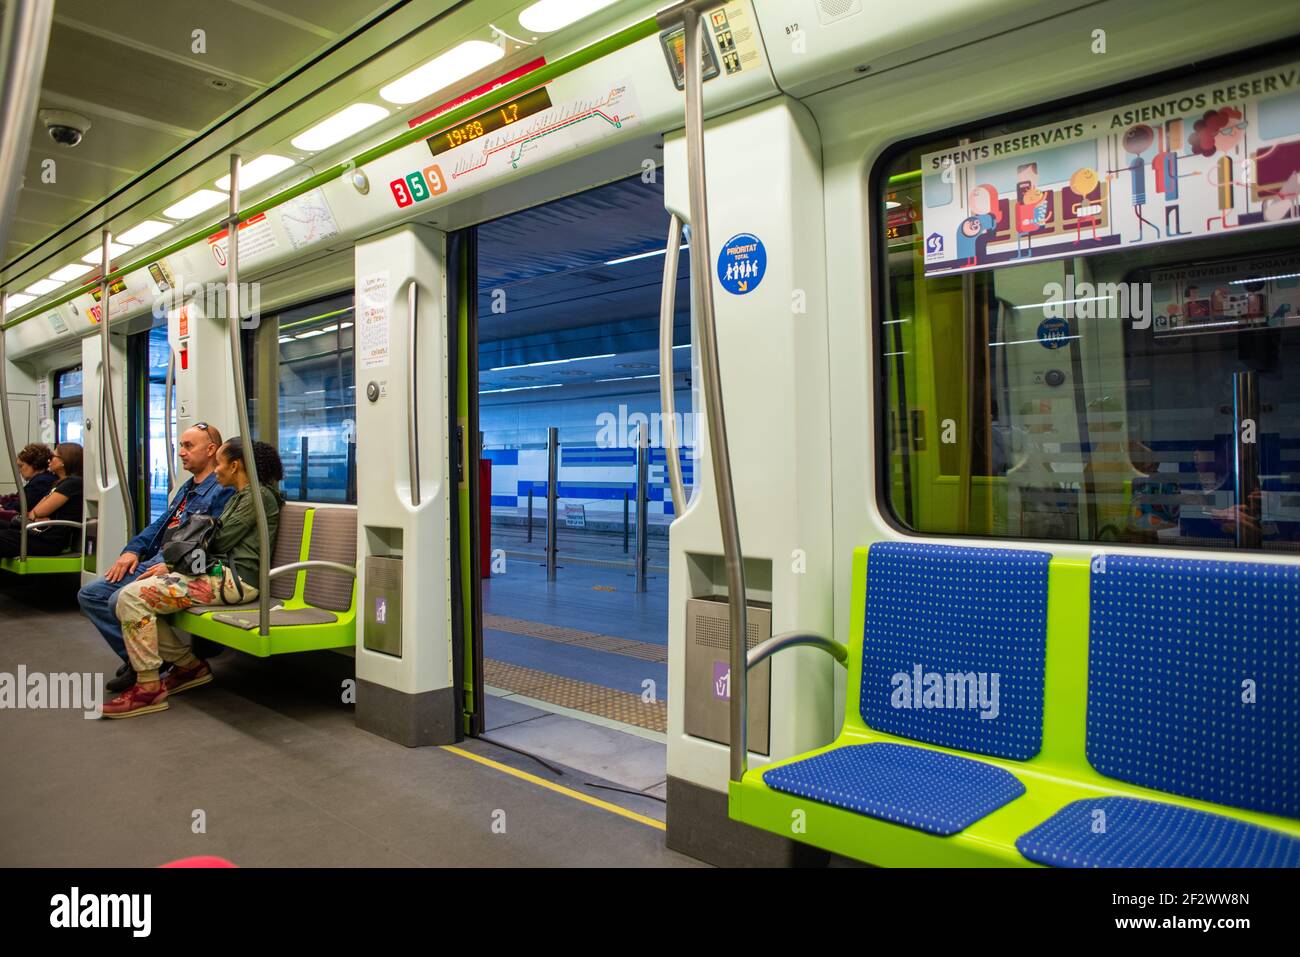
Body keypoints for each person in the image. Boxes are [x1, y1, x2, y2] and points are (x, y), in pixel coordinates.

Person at [102, 438, 284, 718]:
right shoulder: (242, 495)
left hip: (236, 580)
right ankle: (188, 666)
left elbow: (220, 541)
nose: (216, 471)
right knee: (132, 597)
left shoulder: (256, 497)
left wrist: (184, 555)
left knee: (131, 597)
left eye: (221, 464)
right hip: (218, 573)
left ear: (235, 466)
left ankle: (149, 687)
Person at [78, 422, 234, 693]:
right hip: (158, 558)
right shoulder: (187, 489)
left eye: (188, 446)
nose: (181, 452)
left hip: (177, 563)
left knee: (117, 598)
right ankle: (139, 657)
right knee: (91, 594)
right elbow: (160, 525)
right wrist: (133, 549)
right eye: (180, 446)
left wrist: (173, 565)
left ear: (211, 450)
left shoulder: (222, 490)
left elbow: (215, 540)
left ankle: (149, 664)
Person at [0, 444, 83, 557]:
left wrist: (39, 514)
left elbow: (38, 511)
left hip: (48, 539)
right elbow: (34, 513)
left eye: (53, 456)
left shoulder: (73, 483)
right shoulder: (58, 483)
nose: (49, 460)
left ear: (63, 461)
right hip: (41, 534)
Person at [0, 443, 58, 523]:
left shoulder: (42, 482)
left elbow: (21, 506)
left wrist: (3, 507)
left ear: (35, 464)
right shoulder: (43, 479)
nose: (19, 471)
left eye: (21, 466)